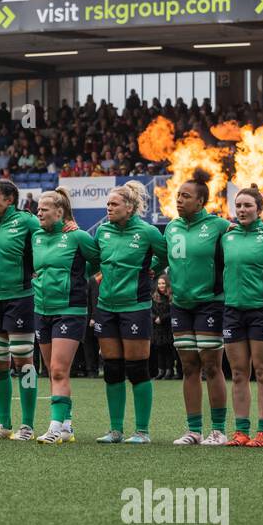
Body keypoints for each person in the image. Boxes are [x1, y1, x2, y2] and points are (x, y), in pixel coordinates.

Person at [90, 181, 165, 443]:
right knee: (112, 369)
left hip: (136, 307)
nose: (108, 208)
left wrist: (152, 267)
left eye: (113, 204)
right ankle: (115, 430)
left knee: (137, 369)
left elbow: (165, 254)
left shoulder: (148, 232)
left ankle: (142, 431)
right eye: (108, 204)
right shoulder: (102, 232)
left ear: (130, 207)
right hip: (106, 307)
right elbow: (93, 260)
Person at [164, 170, 230, 445]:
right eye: (178, 195)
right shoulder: (171, 227)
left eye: (186, 196)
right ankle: (193, 430)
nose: (179, 200)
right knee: (188, 367)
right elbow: (159, 258)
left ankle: (218, 430)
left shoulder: (219, 227)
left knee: (212, 366)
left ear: (201, 202)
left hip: (210, 305)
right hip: (180, 305)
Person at [31, 188, 102, 443]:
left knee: (59, 370)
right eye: (38, 208)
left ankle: (53, 428)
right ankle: (67, 426)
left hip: (69, 310)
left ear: (59, 212)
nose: (39, 212)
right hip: (41, 309)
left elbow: (97, 260)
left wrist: (79, 277)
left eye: (44, 208)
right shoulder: (36, 236)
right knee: (53, 371)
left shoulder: (78, 237)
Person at [0, 179, 42, 440]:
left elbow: (47, 237)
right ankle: (4, 425)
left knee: (23, 360)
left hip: (20, 297)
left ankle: (26, 425)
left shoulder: (27, 222)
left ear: (9, 200)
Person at [220, 186, 263, 447]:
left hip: (262, 310)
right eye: (239, 205)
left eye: (248, 206)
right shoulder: (226, 236)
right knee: (238, 373)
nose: (242, 210)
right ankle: (241, 432)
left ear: (260, 210)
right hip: (232, 310)